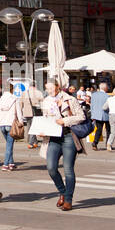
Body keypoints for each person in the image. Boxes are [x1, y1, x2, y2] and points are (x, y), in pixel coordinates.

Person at [42, 78, 85, 211]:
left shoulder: (70, 99)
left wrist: (64, 120)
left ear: (58, 87)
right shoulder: (46, 101)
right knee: (51, 168)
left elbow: (81, 117)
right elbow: (46, 119)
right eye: (47, 89)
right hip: (54, 138)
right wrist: (42, 131)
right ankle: (62, 191)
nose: (50, 91)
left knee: (68, 170)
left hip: (68, 137)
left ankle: (68, 200)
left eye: (51, 88)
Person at [0, 80, 20, 170]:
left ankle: (11, 163)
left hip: (2, 125)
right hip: (11, 124)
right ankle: (5, 164)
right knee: (9, 145)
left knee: (9, 144)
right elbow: (19, 112)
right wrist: (21, 122)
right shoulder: (15, 99)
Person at [89, 82, 111, 150]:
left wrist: (92, 115)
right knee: (108, 130)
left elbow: (92, 105)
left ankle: (95, 143)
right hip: (106, 114)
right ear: (105, 88)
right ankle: (108, 144)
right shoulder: (107, 96)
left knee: (99, 129)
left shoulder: (94, 95)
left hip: (96, 115)